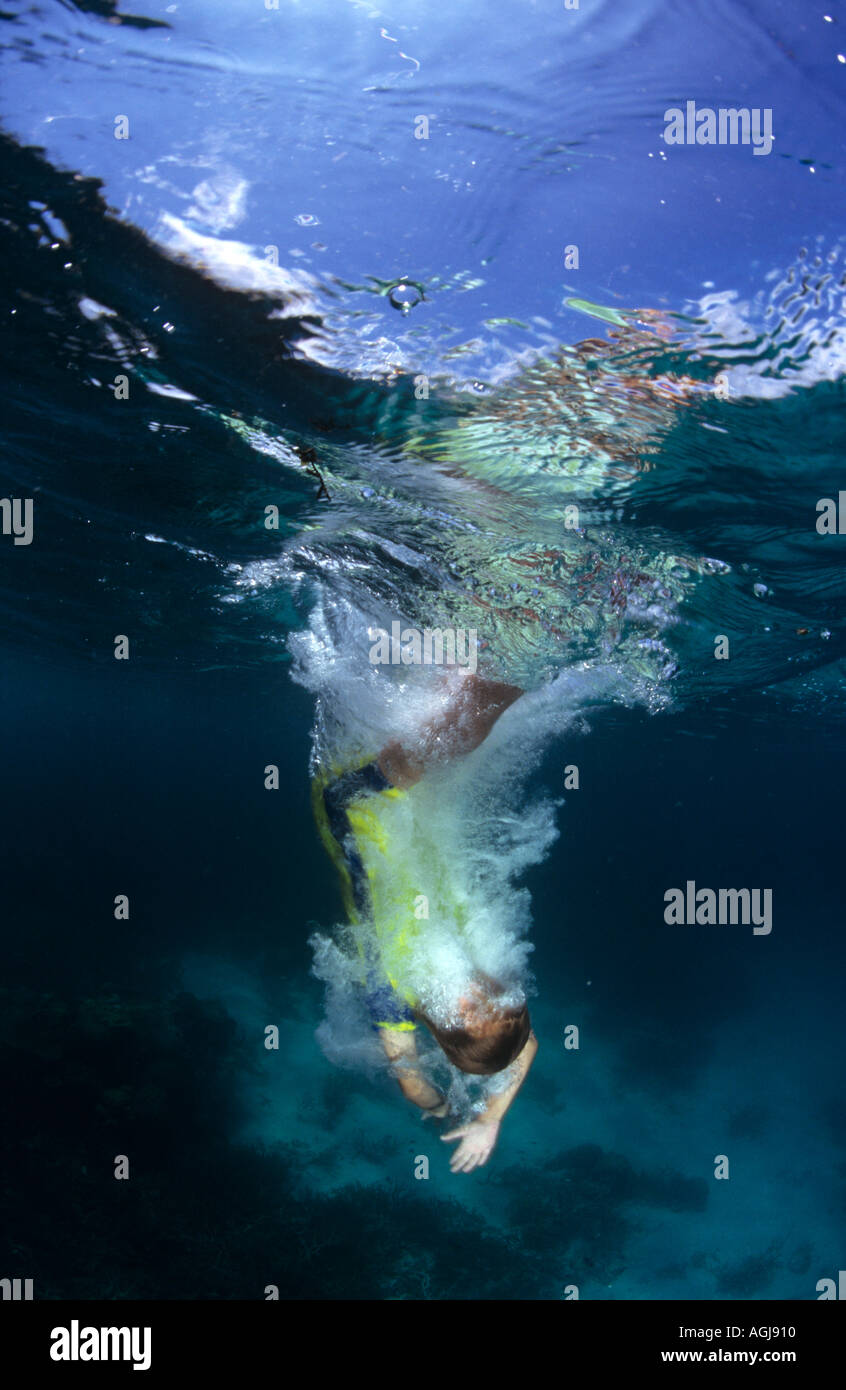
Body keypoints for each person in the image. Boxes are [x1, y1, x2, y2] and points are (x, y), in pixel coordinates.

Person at [314, 672, 538, 1174]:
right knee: (428, 738)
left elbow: (415, 1081)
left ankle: (507, 675)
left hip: (353, 811)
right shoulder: (461, 978)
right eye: (498, 995)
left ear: (451, 1020)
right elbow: (522, 1049)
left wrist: (446, 1107)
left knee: (416, 756)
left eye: (477, 1003)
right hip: (393, 819)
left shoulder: (390, 994)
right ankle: (496, 673)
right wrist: (484, 1117)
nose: (489, 986)